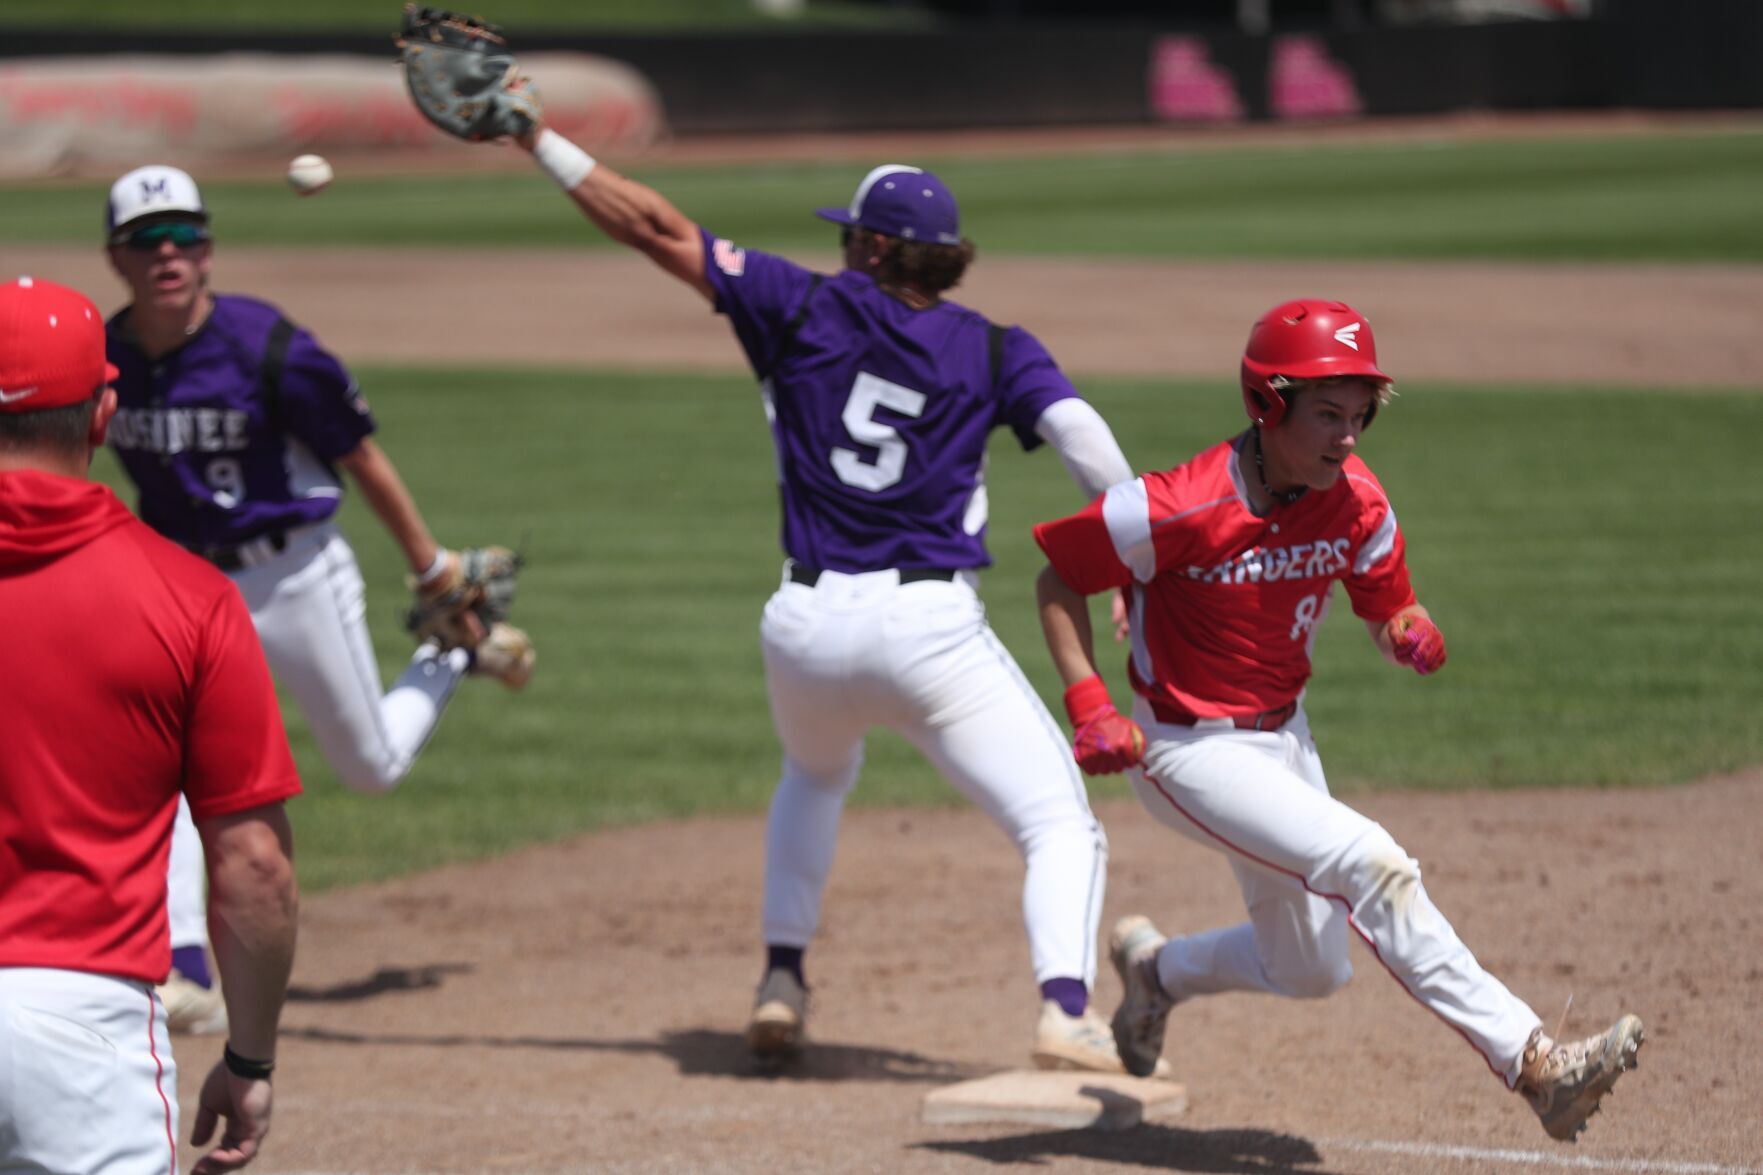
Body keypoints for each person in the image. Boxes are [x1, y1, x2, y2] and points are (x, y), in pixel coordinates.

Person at [495, 118, 1142, 1071]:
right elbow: (1085, 441)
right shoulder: (995, 349)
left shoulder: (796, 306)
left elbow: (650, 225)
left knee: (813, 775)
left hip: (801, 625)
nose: (839, 249)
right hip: (928, 633)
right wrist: (1126, 559)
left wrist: (530, 134)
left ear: (874, 247)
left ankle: (782, 977)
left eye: (850, 236)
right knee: (1056, 824)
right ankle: (1063, 1007)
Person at [1031, 297, 1644, 1141]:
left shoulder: (1352, 496)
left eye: (1358, 416)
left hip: (1283, 738)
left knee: (1311, 967)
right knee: (1372, 861)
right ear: (1264, 403)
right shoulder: (1174, 505)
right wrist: (1089, 701)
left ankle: (1154, 971)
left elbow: (1385, 604)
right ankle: (1536, 1062)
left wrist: (1404, 630)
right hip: (1183, 749)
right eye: (1326, 413)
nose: (1347, 435)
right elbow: (1057, 581)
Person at [100, 164, 535, 1033]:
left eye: (186, 236)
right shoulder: (105, 355)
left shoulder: (269, 345)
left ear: (210, 248)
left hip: (294, 572)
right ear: (118, 258)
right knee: (170, 769)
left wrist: (431, 570)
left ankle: (448, 655)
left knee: (370, 769)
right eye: (149, 241)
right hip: (184, 585)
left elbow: (361, 456)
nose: (170, 254)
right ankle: (185, 967)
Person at [0, 275, 300, 1173]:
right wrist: (248, 1058)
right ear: (103, 411)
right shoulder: (189, 599)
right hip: (82, 1036)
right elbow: (254, 862)